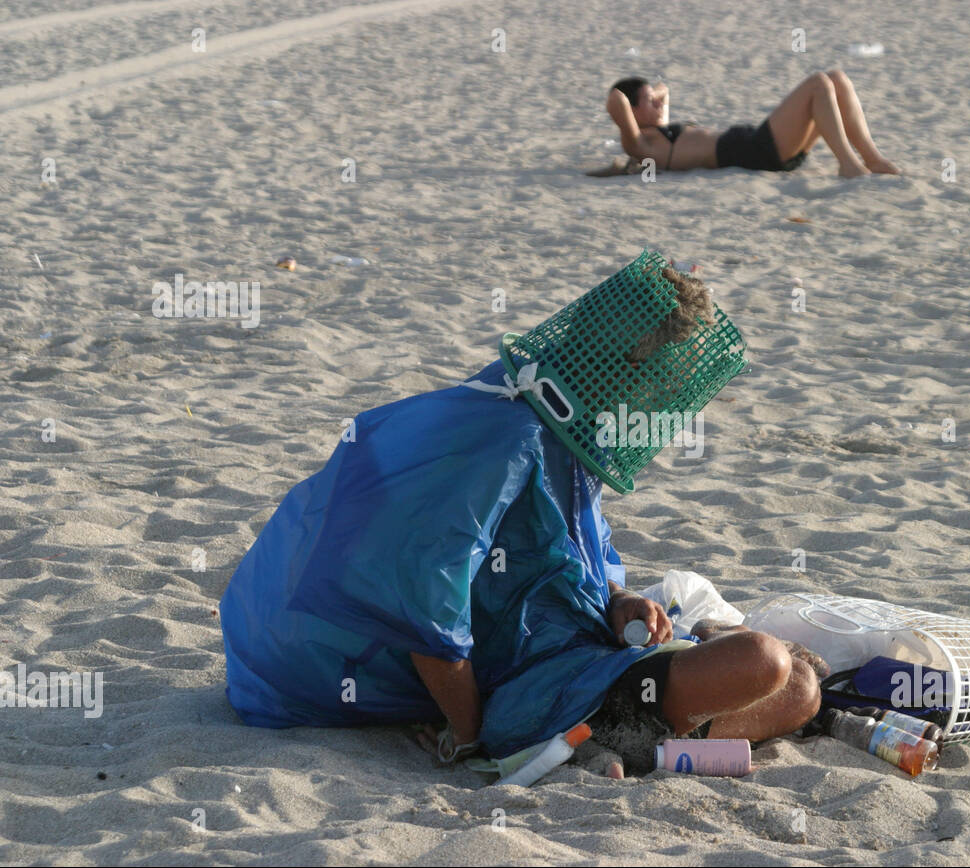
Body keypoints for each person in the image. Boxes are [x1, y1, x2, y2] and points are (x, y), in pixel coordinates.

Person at [219, 250, 822, 778]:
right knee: (764, 662)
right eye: (658, 384)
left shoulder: (564, 416)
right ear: (627, 366)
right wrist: (471, 734)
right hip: (516, 689)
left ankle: (628, 733)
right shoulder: (506, 437)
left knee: (802, 689)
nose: (660, 404)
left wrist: (616, 599)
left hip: (572, 657)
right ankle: (611, 728)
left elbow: (576, 548)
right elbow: (426, 608)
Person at [605, 71, 900, 179]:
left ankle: (871, 158)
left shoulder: (660, 130)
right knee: (817, 84)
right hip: (753, 151)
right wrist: (634, 102)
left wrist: (649, 93)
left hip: (758, 146)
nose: (658, 103)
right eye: (648, 101)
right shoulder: (642, 145)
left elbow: (664, 89)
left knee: (836, 78)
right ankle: (848, 164)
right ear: (631, 112)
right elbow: (616, 99)